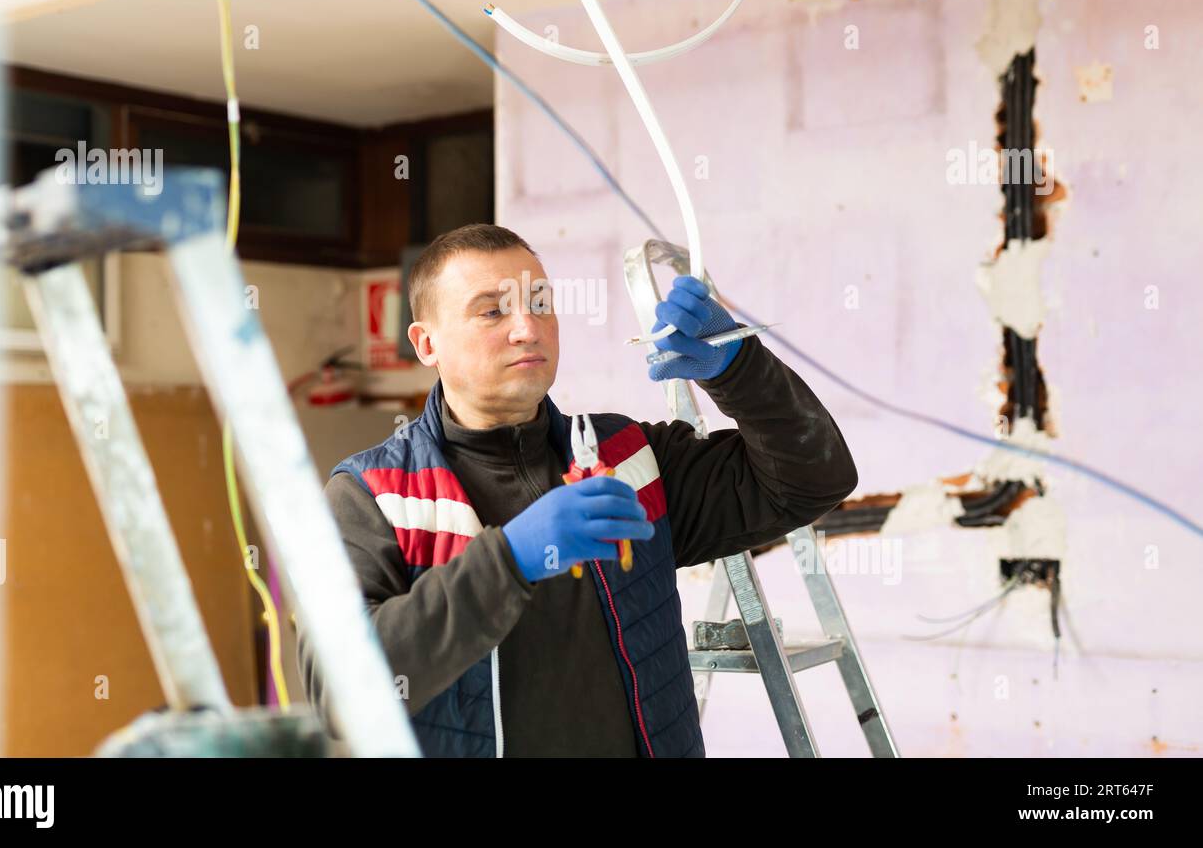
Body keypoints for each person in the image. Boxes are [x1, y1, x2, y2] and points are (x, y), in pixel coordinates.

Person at [297, 223, 858, 757]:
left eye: (539, 303)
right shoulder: (374, 495)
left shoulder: (629, 458)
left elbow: (814, 478)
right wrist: (509, 560)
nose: (527, 327)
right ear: (426, 344)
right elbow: (340, 691)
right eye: (492, 310)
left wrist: (738, 366)